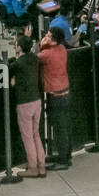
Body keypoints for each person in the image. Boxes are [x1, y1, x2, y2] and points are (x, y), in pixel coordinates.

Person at [37, 26, 71, 170]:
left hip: (55, 96)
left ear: (55, 40)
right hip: (66, 92)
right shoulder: (62, 49)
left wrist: (40, 43)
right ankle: (66, 155)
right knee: (65, 126)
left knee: (58, 128)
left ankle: (62, 161)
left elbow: (34, 57)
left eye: (49, 36)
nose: (47, 37)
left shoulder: (47, 55)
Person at [13, 35, 46, 177]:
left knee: (27, 136)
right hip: (37, 100)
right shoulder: (35, 59)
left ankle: (32, 167)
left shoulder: (18, 63)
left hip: (24, 102)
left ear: (19, 47)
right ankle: (41, 165)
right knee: (35, 133)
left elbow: (9, 69)